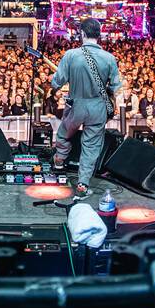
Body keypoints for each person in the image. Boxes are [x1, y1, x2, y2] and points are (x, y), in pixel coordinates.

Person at [49, 17, 122, 199]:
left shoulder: (71, 55)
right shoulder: (109, 58)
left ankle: (59, 159)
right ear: (100, 34)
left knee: (64, 133)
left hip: (76, 106)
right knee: (91, 146)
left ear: (82, 33)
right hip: (98, 108)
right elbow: (115, 87)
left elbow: (57, 82)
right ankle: (82, 185)